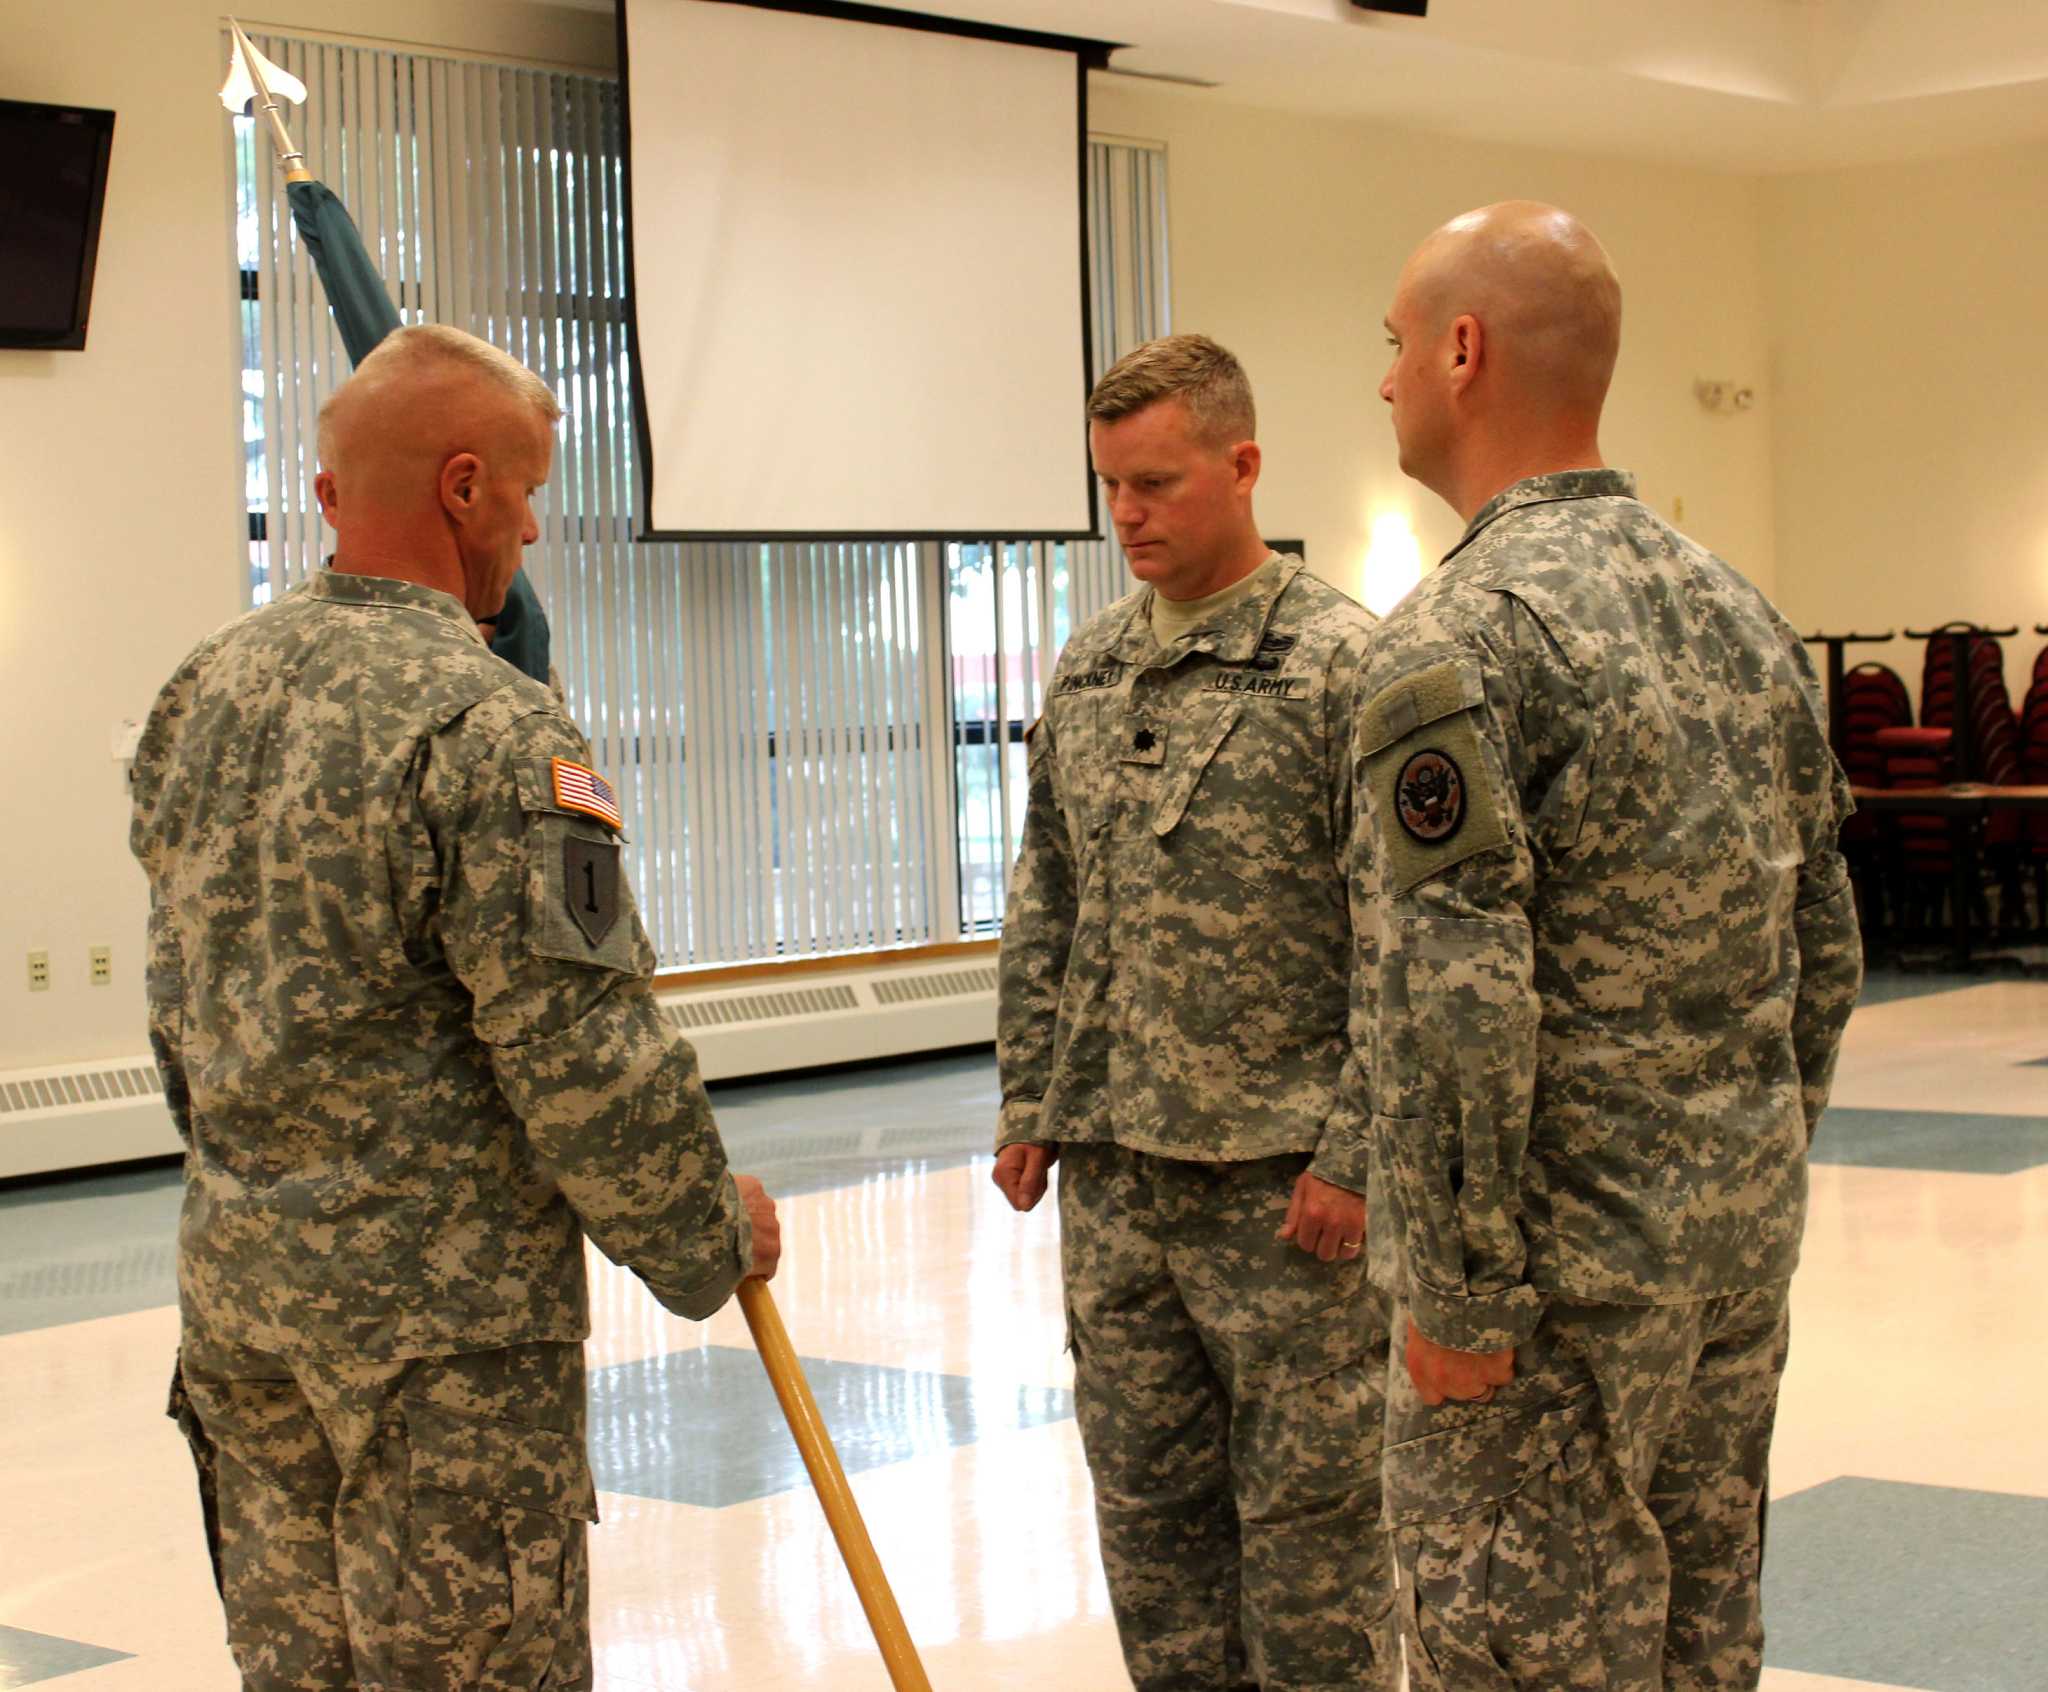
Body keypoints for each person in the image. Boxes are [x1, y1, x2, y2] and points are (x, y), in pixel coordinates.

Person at [130, 323, 780, 1692]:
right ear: (465, 487)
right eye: (531, 494)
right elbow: (582, 1045)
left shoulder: (201, 693)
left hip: (242, 1310)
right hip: (440, 1358)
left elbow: (179, 1008)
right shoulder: (492, 729)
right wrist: (704, 1231)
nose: (532, 529)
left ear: (326, 498)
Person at [1360, 201, 1863, 1691]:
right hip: (1726, 1262)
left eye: (1393, 345)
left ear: (1463, 351)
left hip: (1550, 1309)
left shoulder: (1456, 639)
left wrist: (1455, 1294)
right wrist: (1741, 1160)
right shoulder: (1739, 613)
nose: (1383, 380)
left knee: (1523, 1659)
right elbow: (1824, 948)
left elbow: (1455, 998)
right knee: (1704, 1647)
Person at [993, 334, 1396, 1692]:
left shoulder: (1348, 667)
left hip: (1288, 1201)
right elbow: (1047, 899)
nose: (1129, 516)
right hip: (1119, 1191)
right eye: (1110, 486)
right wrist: (1029, 1100)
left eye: (1157, 482)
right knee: (1155, 1543)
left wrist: (1356, 1152)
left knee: (1317, 1559)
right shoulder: (1095, 667)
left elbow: (1407, 943)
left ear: (1245, 465)